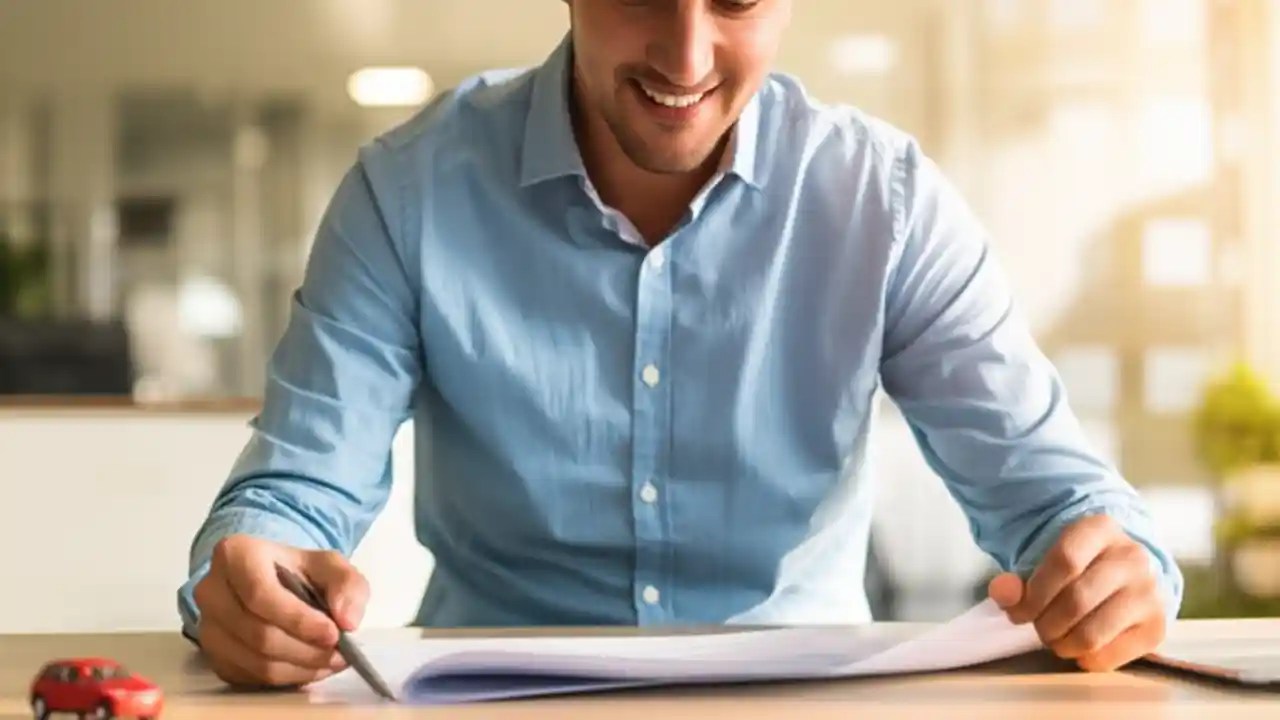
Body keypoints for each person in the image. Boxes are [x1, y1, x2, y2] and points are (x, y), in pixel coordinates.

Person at [178, 0, 1183, 689]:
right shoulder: (407, 194)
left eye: (736, 2)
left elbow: (1057, 502)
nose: (685, 57)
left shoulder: (885, 205)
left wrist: (1114, 567)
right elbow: (295, 491)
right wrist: (247, 577)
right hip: (482, 701)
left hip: (809, 701)